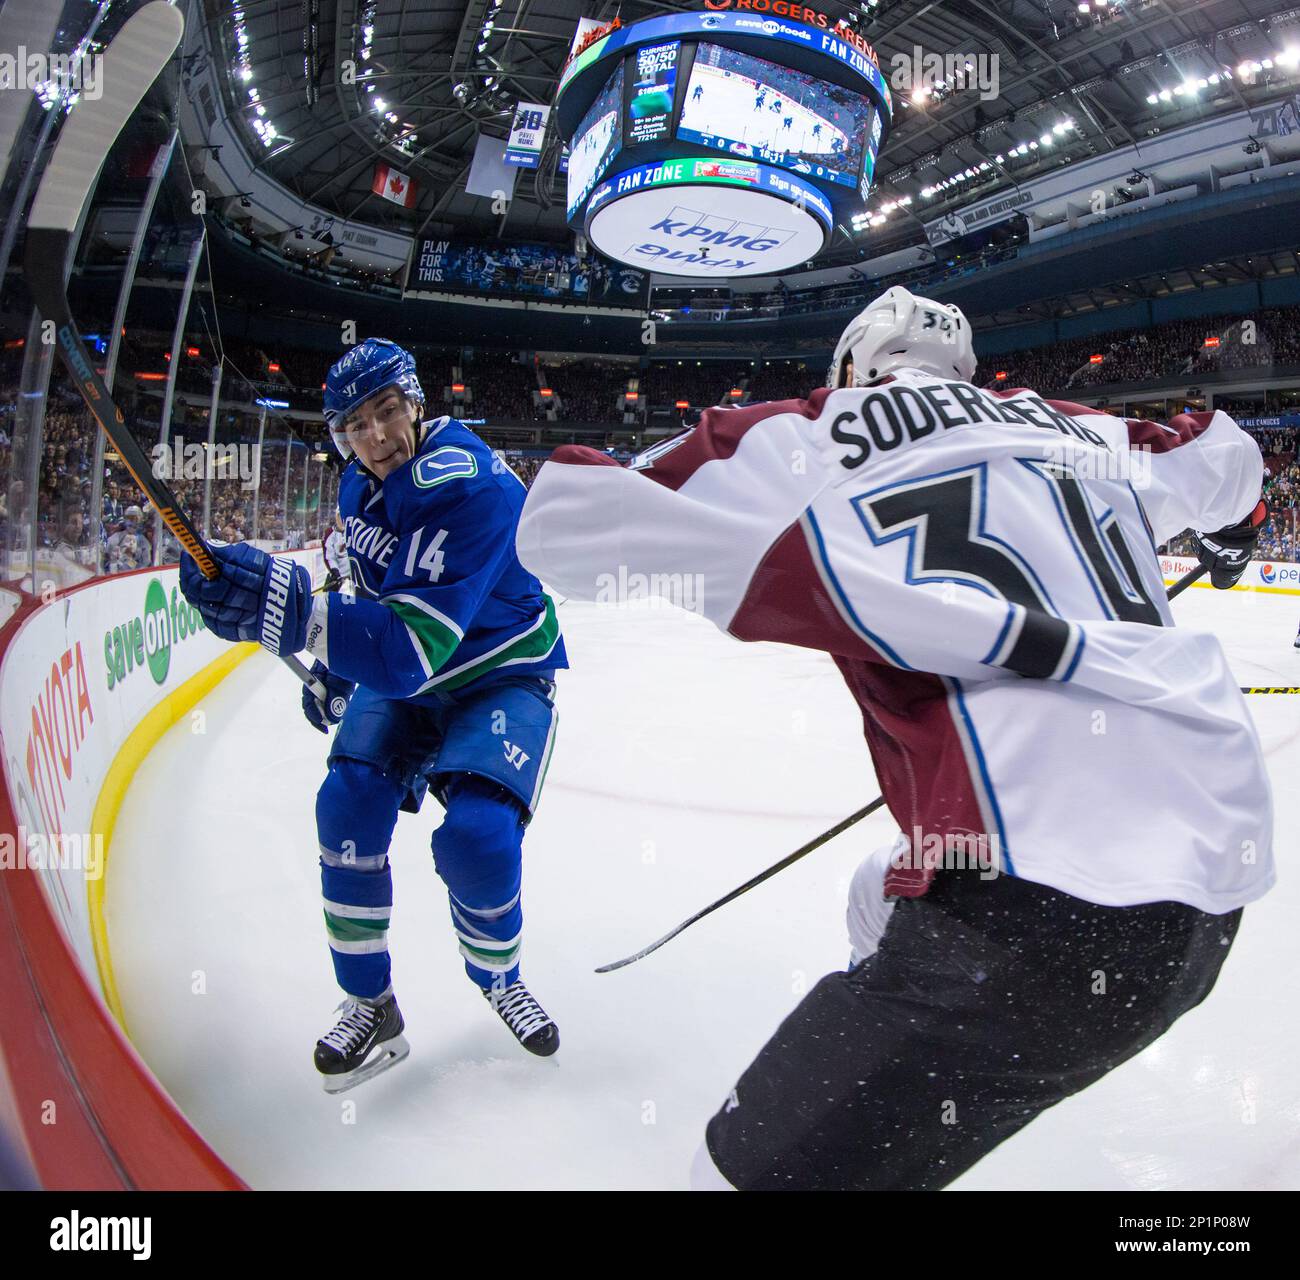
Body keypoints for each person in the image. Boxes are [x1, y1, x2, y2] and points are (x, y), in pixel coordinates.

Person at [516, 286, 1274, 1190]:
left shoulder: (809, 432)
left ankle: (892, 1048)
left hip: (1040, 909)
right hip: (1211, 890)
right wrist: (1241, 526)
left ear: (851, 370)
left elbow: (561, 517)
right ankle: (888, 1039)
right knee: (875, 891)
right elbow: (1233, 456)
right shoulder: (1086, 434)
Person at [180, 337, 567, 1093]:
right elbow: (366, 592)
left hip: (498, 673)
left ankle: (497, 976)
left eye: (388, 413)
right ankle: (369, 1002)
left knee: (479, 842)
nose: (377, 438)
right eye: (355, 426)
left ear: (418, 404)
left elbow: (407, 652)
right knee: (346, 807)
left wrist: (292, 617)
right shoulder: (358, 486)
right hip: (408, 665)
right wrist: (328, 662)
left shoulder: (476, 489)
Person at [322, 511, 349, 592]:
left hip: (355, 579)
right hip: (338, 578)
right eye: (339, 516)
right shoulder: (330, 533)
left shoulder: (356, 530)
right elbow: (329, 557)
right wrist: (335, 572)